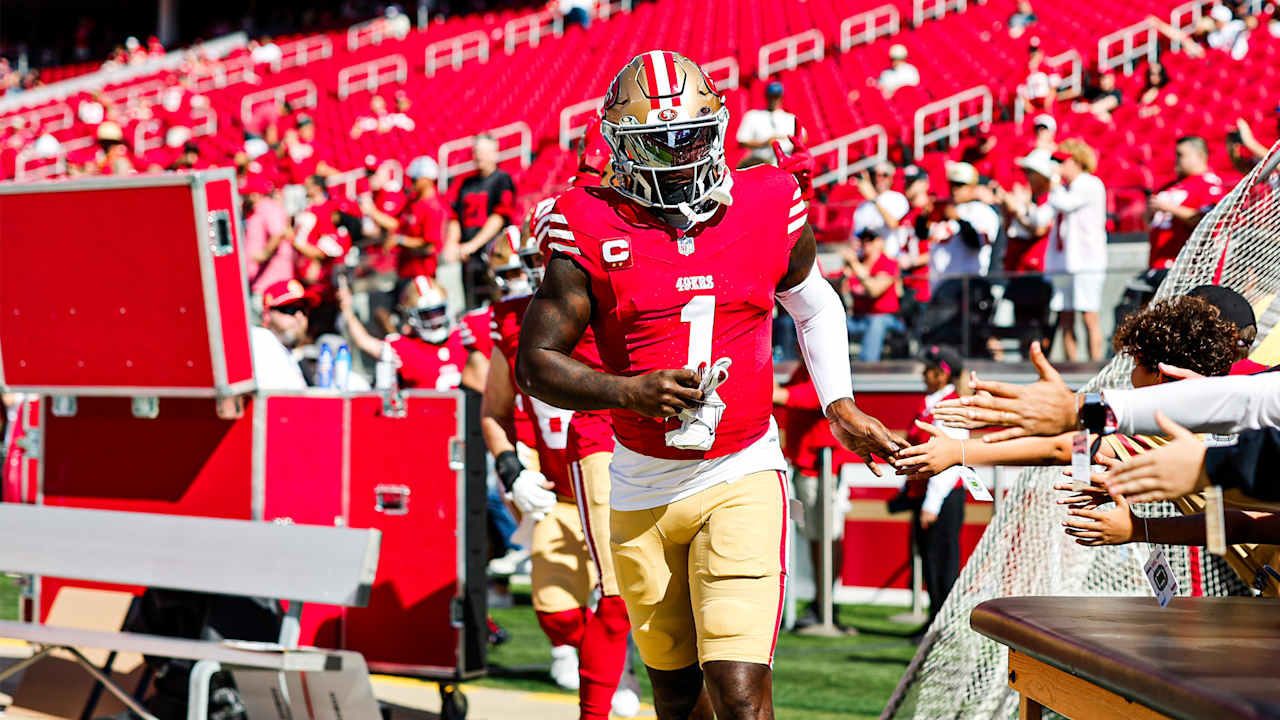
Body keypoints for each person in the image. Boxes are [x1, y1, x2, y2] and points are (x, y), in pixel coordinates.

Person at [515, 51, 902, 720]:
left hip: (741, 467)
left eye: (688, 136)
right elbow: (535, 360)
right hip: (642, 479)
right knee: (675, 694)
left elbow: (815, 302)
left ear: (718, 130)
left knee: (740, 690)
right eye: (654, 143)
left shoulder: (768, 199)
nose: (675, 155)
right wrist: (629, 391)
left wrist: (839, 403)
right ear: (620, 148)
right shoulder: (585, 220)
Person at [900, 346, 968, 628]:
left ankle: (943, 625)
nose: (924, 374)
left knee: (942, 562)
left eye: (929, 369)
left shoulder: (949, 406)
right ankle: (933, 622)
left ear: (942, 375)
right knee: (930, 561)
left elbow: (948, 460)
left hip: (943, 496)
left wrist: (931, 503)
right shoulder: (932, 403)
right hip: (928, 494)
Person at [923, 161, 1001, 355]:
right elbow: (921, 234)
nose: (955, 189)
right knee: (933, 340)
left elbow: (976, 243)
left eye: (960, 185)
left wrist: (958, 218)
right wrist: (923, 216)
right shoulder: (943, 211)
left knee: (953, 344)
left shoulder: (982, 211)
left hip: (967, 287)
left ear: (973, 187)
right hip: (940, 287)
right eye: (952, 184)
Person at [338, 276, 465, 391]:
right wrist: (347, 310)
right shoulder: (402, 347)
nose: (434, 320)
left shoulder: (463, 338)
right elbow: (363, 341)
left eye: (438, 312)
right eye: (426, 315)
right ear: (411, 317)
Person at [1045, 138, 1108, 362]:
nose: (1060, 166)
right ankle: (1072, 364)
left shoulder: (1090, 184)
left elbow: (1066, 204)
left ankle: (1094, 364)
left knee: (1089, 315)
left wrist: (1052, 183)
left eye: (1064, 161)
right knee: (1065, 316)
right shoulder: (1063, 189)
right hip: (1064, 261)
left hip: (1086, 260)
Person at [447, 134, 517, 308]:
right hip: (469, 259)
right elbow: (456, 217)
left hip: (494, 255)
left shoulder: (502, 180)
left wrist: (473, 244)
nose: (479, 156)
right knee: (472, 307)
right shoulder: (466, 183)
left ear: (495, 153)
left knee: (501, 304)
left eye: (484, 152)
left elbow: (499, 217)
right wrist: (452, 243)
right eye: (476, 152)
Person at [1000, 149, 1055, 356]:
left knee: (1037, 329)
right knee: (1023, 327)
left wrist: (1018, 209)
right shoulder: (1033, 199)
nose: (1027, 178)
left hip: (1038, 272)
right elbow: (1011, 230)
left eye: (1031, 173)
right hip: (1020, 271)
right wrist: (1009, 210)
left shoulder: (1050, 199)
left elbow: (1038, 228)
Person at [1147, 136, 1227, 271]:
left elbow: (1205, 220)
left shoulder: (1209, 184)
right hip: (1156, 263)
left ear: (1200, 156)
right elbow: (1149, 222)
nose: (1176, 160)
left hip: (1184, 268)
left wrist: (1169, 208)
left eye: (1181, 155)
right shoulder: (1169, 186)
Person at [844, 229, 903, 362]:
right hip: (859, 319)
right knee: (834, 322)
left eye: (870, 240)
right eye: (862, 240)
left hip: (887, 319)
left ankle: (868, 366)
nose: (865, 243)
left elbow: (874, 290)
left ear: (880, 242)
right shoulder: (856, 265)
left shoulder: (888, 263)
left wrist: (854, 264)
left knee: (877, 322)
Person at [241, 174, 294, 306]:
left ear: (255, 194)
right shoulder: (259, 209)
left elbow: (278, 233)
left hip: (271, 282)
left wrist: (264, 254)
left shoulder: (267, 206)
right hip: (262, 282)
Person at [252, 280, 312, 390]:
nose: (299, 316)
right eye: (291, 309)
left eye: (303, 310)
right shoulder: (261, 338)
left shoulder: (294, 353)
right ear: (267, 315)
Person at [734, 81, 798, 167]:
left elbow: (803, 137)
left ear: (781, 98)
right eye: (771, 96)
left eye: (776, 97)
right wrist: (765, 143)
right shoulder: (752, 115)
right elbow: (742, 141)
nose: (774, 100)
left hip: (785, 163)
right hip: (760, 163)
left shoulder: (790, 118)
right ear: (766, 97)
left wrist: (785, 139)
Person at [851, 161, 910, 244]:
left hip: (890, 254)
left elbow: (893, 224)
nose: (878, 178)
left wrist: (874, 199)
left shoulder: (899, 199)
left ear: (891, 178)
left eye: (884, 175)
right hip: (868, 254)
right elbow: (856, 236)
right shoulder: (863, 206)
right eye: (874, 174)